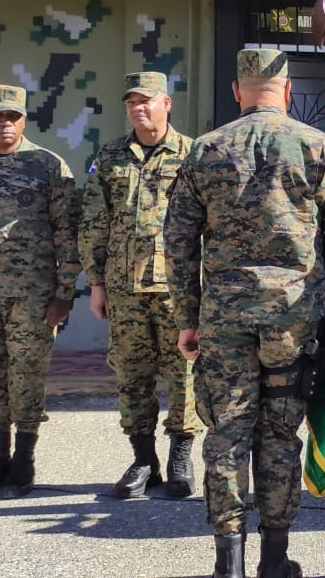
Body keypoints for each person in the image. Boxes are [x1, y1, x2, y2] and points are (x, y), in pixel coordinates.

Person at [165, 49, 325, 578]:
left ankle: (228, 562)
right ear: (287, 90)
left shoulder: (205, 150)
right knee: (280, 434)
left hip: (224, 317)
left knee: (227, 433)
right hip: (291, 316)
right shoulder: (317, 146)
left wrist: (188, 316)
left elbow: (178, 239)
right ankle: (275, 559)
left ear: (238, 91)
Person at [80, 72, 202, 499]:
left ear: (166, 103)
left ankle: (181, 457)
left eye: (145, 100)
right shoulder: (111, 155)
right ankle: (143, 460)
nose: (138, 108)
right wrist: (96, 283)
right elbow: (94, 222)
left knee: (184, 375)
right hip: (124, 288)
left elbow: (209, 222)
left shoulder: (193, 154)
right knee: (131, 375)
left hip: (177, 288)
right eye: (131, 102)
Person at [0, 83, 78, 500]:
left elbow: (67, 233)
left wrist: (64, 294)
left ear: (24, 119)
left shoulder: (47, 165)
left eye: (14, 116)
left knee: (27, 375)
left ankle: (23, 459)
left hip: (32, 296)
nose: (5, 123)